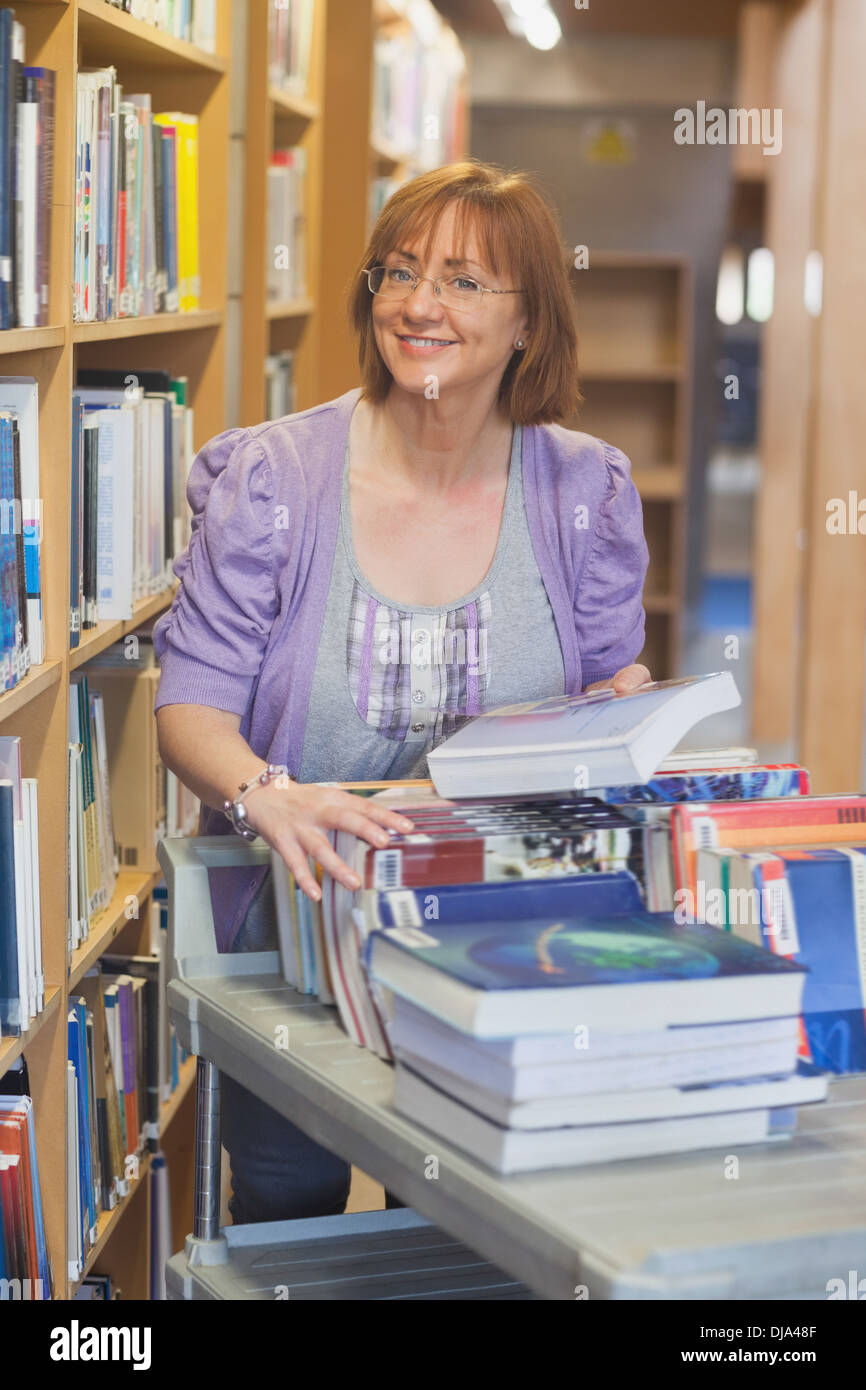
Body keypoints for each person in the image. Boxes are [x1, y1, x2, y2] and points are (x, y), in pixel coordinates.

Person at [153, 158, 651, 1225]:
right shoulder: (273, 481)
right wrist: (263, 794)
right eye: (401, 271)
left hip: (506, 947)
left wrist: (621, 706)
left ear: (529, 322)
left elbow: (610, 688)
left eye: (466, 282)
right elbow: (187, 707)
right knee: (290, 1227)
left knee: (478, 1237)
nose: (420, 303)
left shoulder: (584, 492)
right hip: (289, 947)